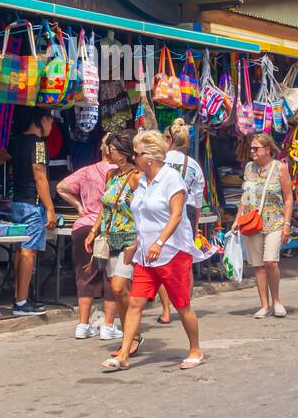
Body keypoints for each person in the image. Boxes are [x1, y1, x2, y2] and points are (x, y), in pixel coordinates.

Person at [103, 130, 203, 371]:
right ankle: (124, 353)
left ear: (149, 157)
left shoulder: (171, 179)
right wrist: (136, 244)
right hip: (146, 256)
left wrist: (159, 242)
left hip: (172, 253)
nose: (133, 158)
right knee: (135, 303)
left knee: (182, 304)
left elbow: (177, 215)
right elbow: (140, 217)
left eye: (136, 154)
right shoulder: (143, 181)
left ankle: (195, 349)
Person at [0, 107, 54, 316]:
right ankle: (21, 303)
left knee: (21, 250)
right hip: (33, 204)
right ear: (42, 120)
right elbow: (40, 177)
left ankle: (19, 297)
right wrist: (50, 209)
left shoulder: (17, 140)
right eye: (51, 122)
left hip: (18, 204)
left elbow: (1, 157)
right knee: (28, 252)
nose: (51, 127)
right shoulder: (38, 144)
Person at [83, 130, 140, 342]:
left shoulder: (136, 178)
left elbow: (142, 209)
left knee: (119, 287)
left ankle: (132, 334)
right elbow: (104, 208)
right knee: (119, 292)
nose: (108, 152)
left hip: (128, 240)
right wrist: (93, 230)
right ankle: (130, 335)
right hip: (109, 239)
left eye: (112, 149)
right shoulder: (111, 175)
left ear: (124, 153)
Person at [57, 138, 116, 339]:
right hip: (110, 228)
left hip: (83, 226)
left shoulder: (86, 171)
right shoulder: (124, 173)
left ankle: (82, 325)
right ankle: (108, 326)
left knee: (84, 276)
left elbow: (61, 187)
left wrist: (80, 207)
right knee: (111, 276)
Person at [231, 133, 293, 318]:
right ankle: (264, 305)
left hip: (274, 221)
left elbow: (288, 199)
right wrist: (237, 219)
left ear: (267, 149)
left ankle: (277, 301)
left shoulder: (280, 168)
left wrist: (287, 224)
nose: (252, 151)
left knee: (270, 262)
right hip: (252, 222)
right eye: (251, 148)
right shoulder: (249, 168)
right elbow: (245, 197)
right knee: (258, 265)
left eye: (256, 148)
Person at [159, 118, 206, 325]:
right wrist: (196, 227)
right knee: (185, 264)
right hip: (183, 220)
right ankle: (184, 305)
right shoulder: (193, 166)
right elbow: (197, 201)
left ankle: (165, 310)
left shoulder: (158, 161)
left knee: (159, 262)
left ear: (168, 140)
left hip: (159, 216)